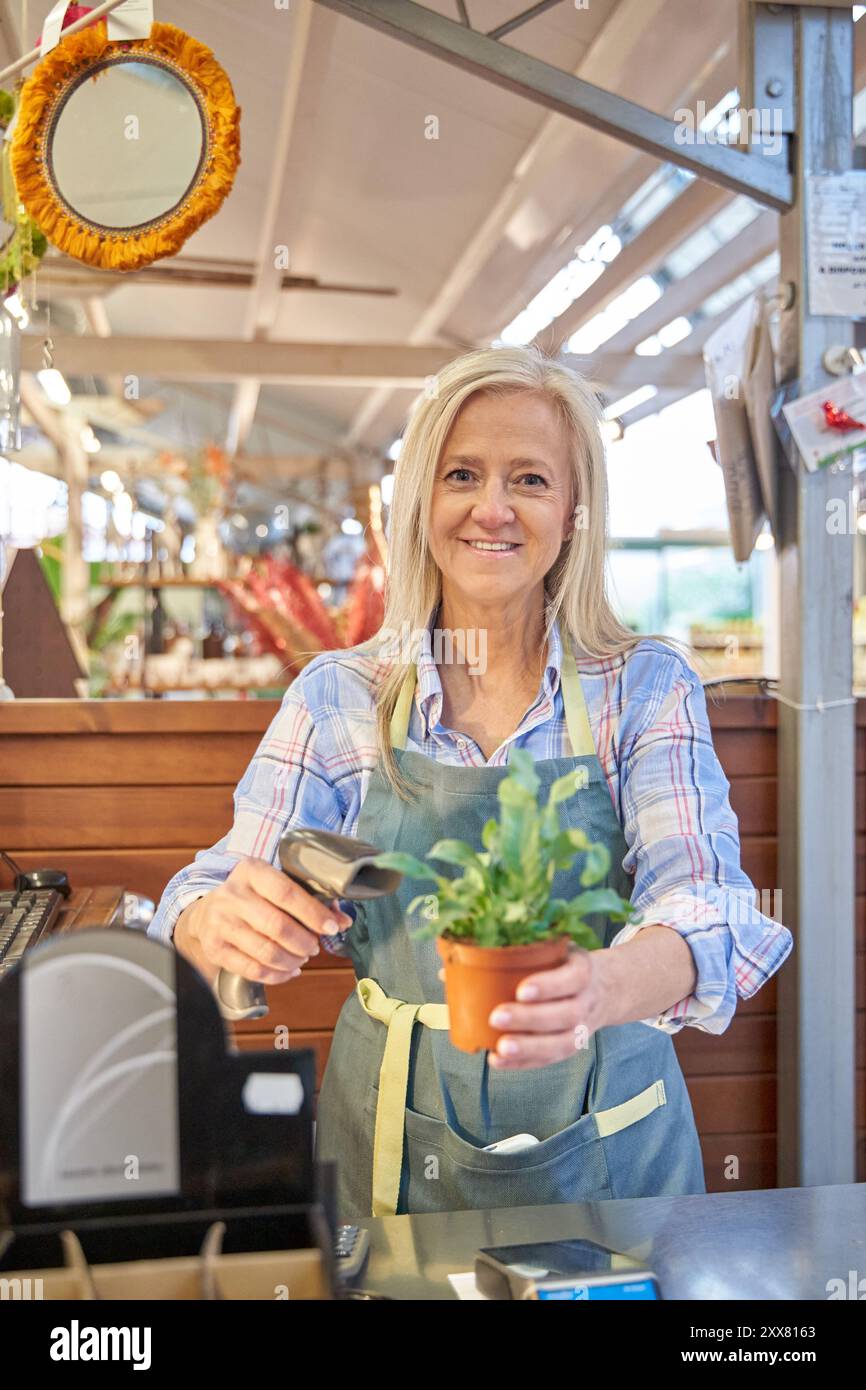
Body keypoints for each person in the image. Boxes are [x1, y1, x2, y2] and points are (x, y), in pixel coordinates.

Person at [149, 345, 792, 1218]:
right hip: (389, 1143)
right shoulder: (342, 698)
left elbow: (709, 908)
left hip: (613, 1140)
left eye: (530, 479)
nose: (493, 508)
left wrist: (598, 988)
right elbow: (210, 889)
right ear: (420, 503)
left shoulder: (643, 686)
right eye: (462, 474)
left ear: (573, 513)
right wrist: (215, 921)